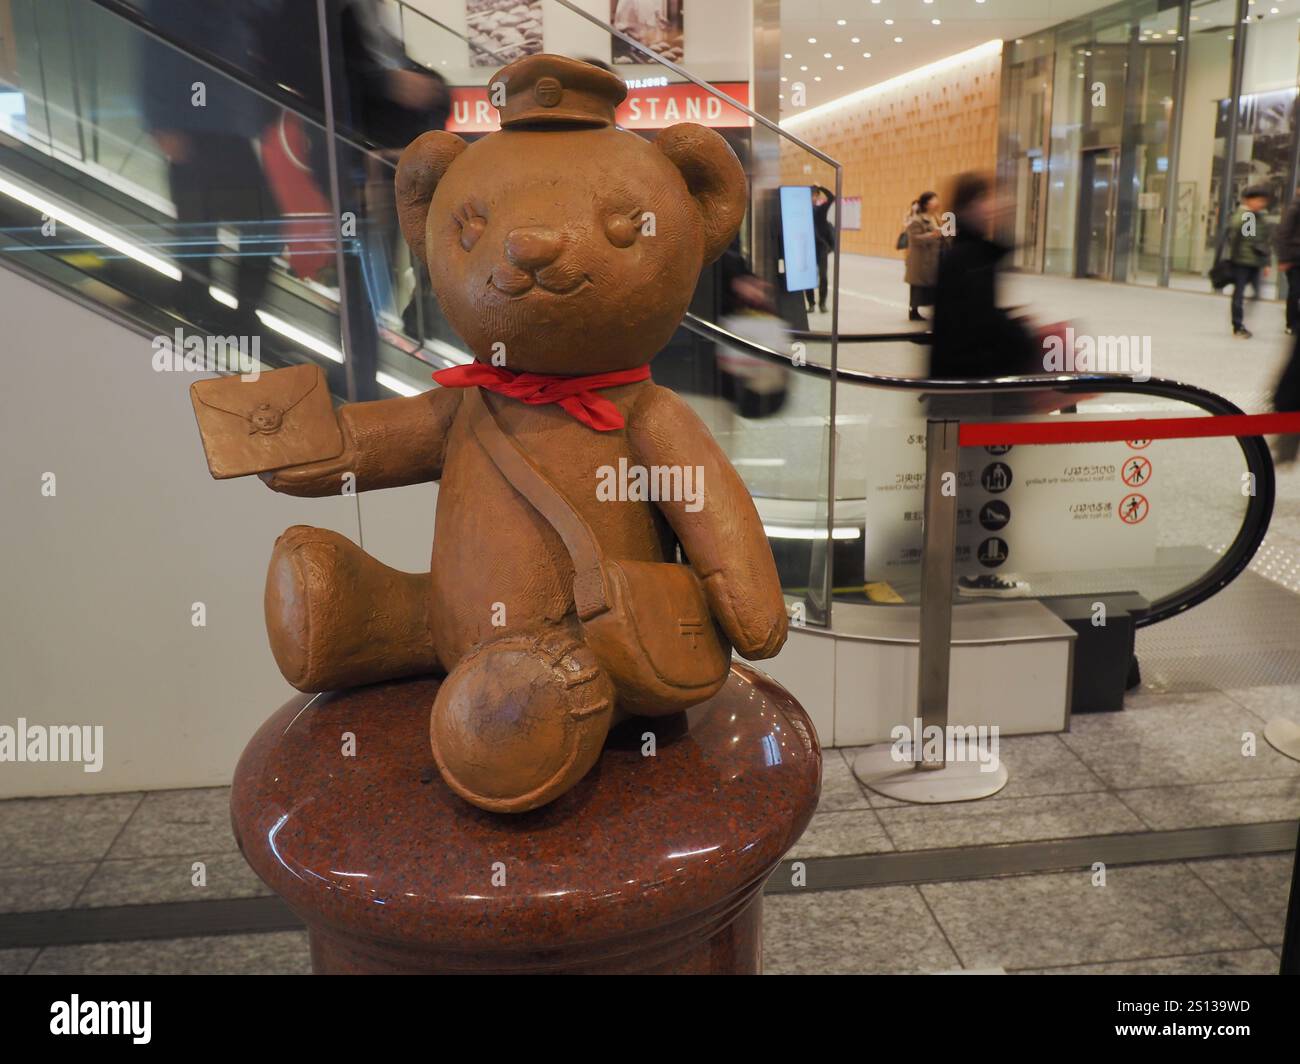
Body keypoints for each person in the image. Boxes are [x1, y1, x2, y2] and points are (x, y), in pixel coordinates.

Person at [930, 172, 1037, 380]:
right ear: (968, 206)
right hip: (968, 384)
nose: (995, 204)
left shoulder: (975, 253)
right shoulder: (967, 259)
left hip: (965, 380)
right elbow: (979, 323)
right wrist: (1024, 336)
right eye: (986, 198)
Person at [1225, 184, 1273, 339]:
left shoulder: (1258, 216)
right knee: (1239, 294)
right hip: (1242, 262)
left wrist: (1266, 262)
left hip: (1255, 262)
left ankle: (1240, 319)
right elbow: (1249, 239)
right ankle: (1238, 325)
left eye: (1263, 201)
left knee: (1256, 293)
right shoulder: (1247, 216)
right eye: (1258, 200)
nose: (1261, 204)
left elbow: (1263, 240)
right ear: (1248, 200)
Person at [904, 191, 944, 322]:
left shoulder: (936, 217)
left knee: (933, 285)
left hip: (933, 257)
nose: (937, 202)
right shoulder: (917, 220)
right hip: (921, 259)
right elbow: (914, 239)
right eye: (934, 200)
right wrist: (933, 235)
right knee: (917, 286)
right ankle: (913, 311)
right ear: (926, 204)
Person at [806, 184, 836, 315]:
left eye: (814, 195)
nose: (812, 197)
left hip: (821, 248)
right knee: (809, 277)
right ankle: (811, 303)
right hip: (807, 248)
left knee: (823, 276)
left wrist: (821, 187)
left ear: (817, 196)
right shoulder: (802, 211)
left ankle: (822, 303)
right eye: (810, 195)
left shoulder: (821, 210)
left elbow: (831, 197)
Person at [1275, 189, 1300, 335]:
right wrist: (1283, 258)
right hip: (1295, 259)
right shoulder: (1294, 209)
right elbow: (1283, 234)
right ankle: (1292, 324)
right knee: (1295, 292)